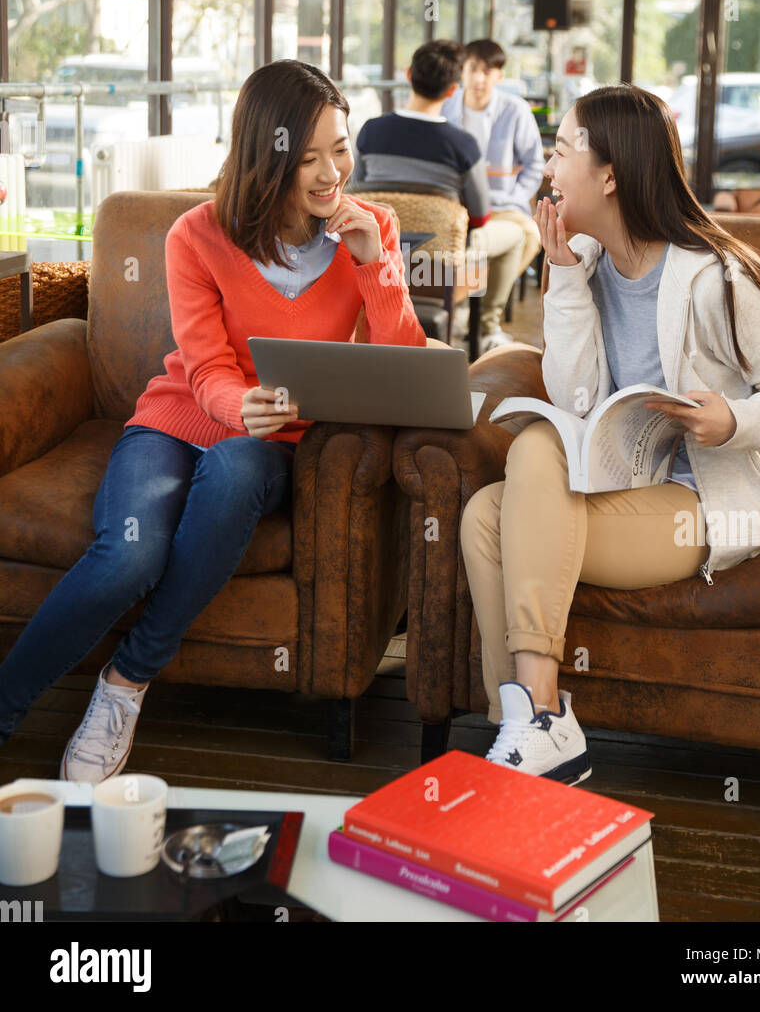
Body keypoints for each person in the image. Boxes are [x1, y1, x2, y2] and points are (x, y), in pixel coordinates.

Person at [0, 60, 426, 780]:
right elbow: (203, 369)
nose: (332, 174)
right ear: (269, 153)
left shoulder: (371, 227)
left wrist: (374, 266)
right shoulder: (196, 234)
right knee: (130, 554)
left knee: (235, 466)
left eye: (342, 149)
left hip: (273, 448)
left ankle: (126, 684)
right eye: (310, 156)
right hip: (176, 421)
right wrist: (238, 406)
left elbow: (402, 368)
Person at [459, 84, 760, 783]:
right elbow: (576, 399)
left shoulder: (718, 276)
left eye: (563, 150)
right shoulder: (588, 269)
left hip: (708, 502)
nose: (550, 166)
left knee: (511, 491)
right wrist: (562, 280)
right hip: (634, 483)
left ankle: (537, 722)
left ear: (609, 175)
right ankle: (530, 724)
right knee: (488, 507)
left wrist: (732, 420)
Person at [441, 39, 544, 353]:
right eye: (472, 69)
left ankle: (484, 317)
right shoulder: (447, 106)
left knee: (530, 234)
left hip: (502, 206)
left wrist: (516, 196)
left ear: (498, 76)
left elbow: (535, 162)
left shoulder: (515, 110)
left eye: (487, 71)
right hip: (457, 208)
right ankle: (480, 317)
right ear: (462, 69)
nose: (478, 78)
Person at [351, 38, 490, 232]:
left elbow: (355, 192)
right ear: (451, 90)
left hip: (376, 250)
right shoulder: (464, 145)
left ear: (408, 74)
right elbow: (480, 217)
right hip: (440, 256)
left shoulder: (370, 131)